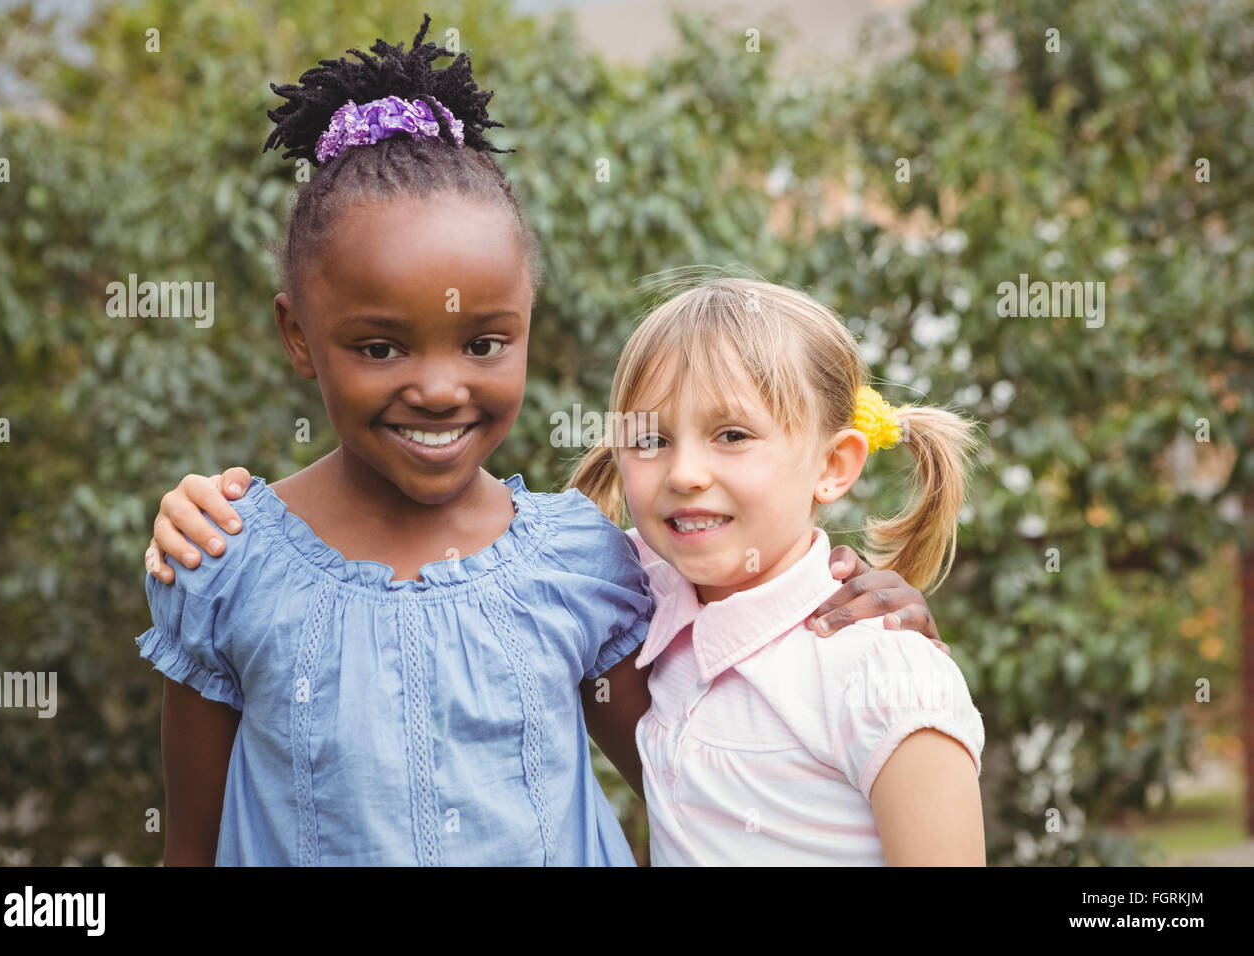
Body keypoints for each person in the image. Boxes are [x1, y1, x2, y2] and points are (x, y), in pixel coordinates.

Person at [139, 19, 945, 866]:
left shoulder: (582, 563)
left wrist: (876, 610)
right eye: (380, 347)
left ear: (528, 328)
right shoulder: (226, 560)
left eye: (484, 343)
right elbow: (189, 848)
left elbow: (708, 787)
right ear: (297, 335)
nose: (441, 388)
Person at [567, 278, 987, 864]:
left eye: (732, 435)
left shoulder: (883, 673)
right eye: (650, 439)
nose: (684, 473)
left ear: (834, 466)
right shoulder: (631, 593)